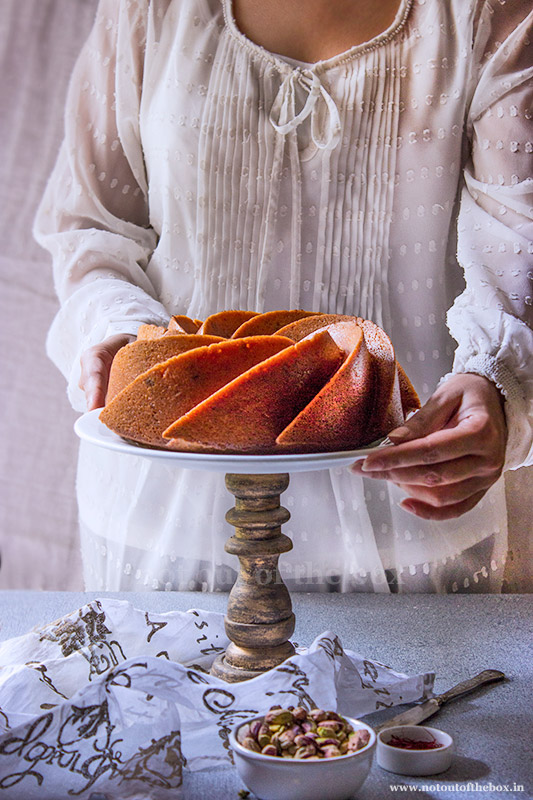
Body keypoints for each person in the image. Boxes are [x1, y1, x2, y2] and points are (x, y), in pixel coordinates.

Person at [34, 0, 533, 593]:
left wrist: (496, 380)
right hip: (168, 508)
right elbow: (91, 229)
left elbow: (519, 239)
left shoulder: (492, 16)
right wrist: (122, 334)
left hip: (409, 505)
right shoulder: (149, 9)